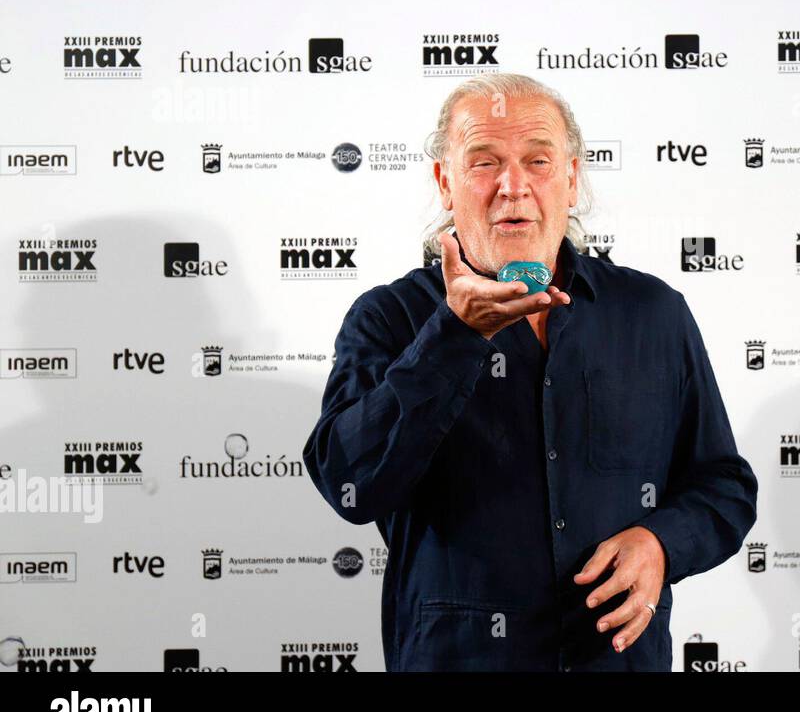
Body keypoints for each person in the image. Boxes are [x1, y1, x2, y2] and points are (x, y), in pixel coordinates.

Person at [302, 72, 758, 671]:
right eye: (484, 162)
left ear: (572, 179)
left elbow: (723, 485)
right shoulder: (389, 317)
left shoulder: (652, 313)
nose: (513, 186)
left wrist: (661, 544)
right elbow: (350, 485)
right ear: (445, 182)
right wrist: (454, 336)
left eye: (538, 161)